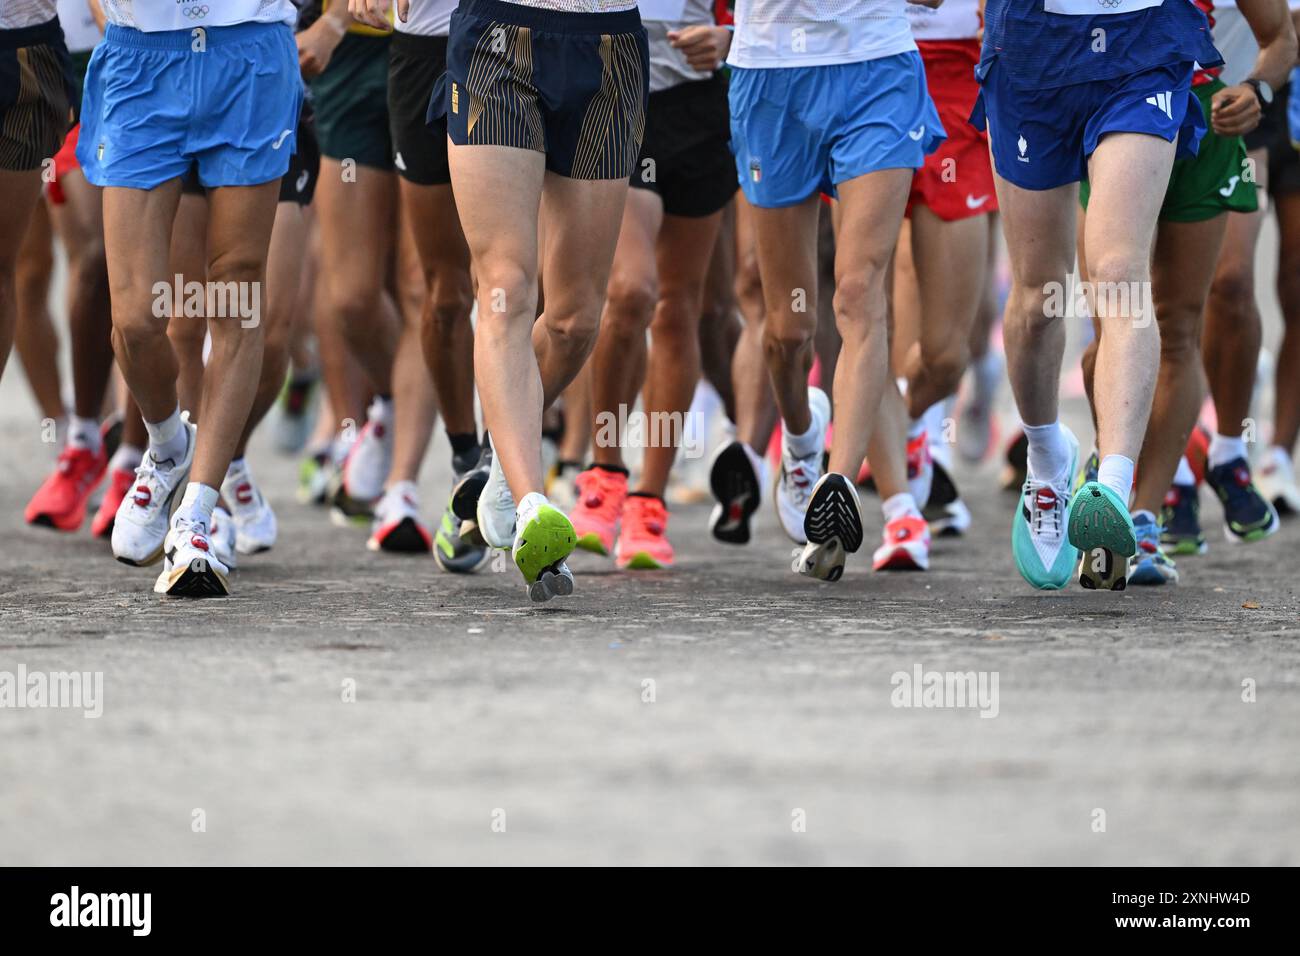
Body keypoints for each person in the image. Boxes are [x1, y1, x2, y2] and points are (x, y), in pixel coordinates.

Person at [352, 0, 649, 603]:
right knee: (504, 288)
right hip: (496, 36)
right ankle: (532, 501)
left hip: (608, 43)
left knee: (574, 319)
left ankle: (496, 474)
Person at [975, 0, 1222, 590]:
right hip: (1033, 50)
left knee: (1118, 275)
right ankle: (1046, 459)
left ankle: (1111, 488)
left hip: (1142, 44)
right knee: (1040, 297)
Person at [79, 0, 303, 596]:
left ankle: (197, 516)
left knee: (236, 287)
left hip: (249, 49)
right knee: (135, 317)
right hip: (142, 55)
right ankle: (166, 446)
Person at [1077, 0, 1294, 587]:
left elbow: (1281, 38)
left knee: (1179, 325)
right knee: (1109, 331)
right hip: (1111, 104)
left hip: (1210, 113)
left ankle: (1145, 514)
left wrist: (1258, 90)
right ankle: (1104, 473)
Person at [566, 4, 737, 570]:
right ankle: (605, 470)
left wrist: (729, 36)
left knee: (677, 308)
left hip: (698, 105)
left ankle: (650, 498)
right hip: (613, 91)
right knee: (630, 291)